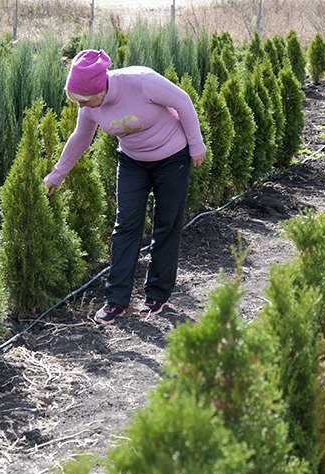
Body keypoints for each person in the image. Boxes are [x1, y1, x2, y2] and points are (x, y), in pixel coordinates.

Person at [43, 49, 206, 325]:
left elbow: (183, 101)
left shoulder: (141, 81)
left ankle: (156, 294)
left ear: (99, 88)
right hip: (132, 161)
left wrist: (196, 145)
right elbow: (81, 137)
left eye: (84, 99)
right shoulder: (90, 107)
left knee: (166, 224)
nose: (81, 106)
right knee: (125, 226)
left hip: (172, 157)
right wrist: (56, 175)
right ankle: (116, 300)